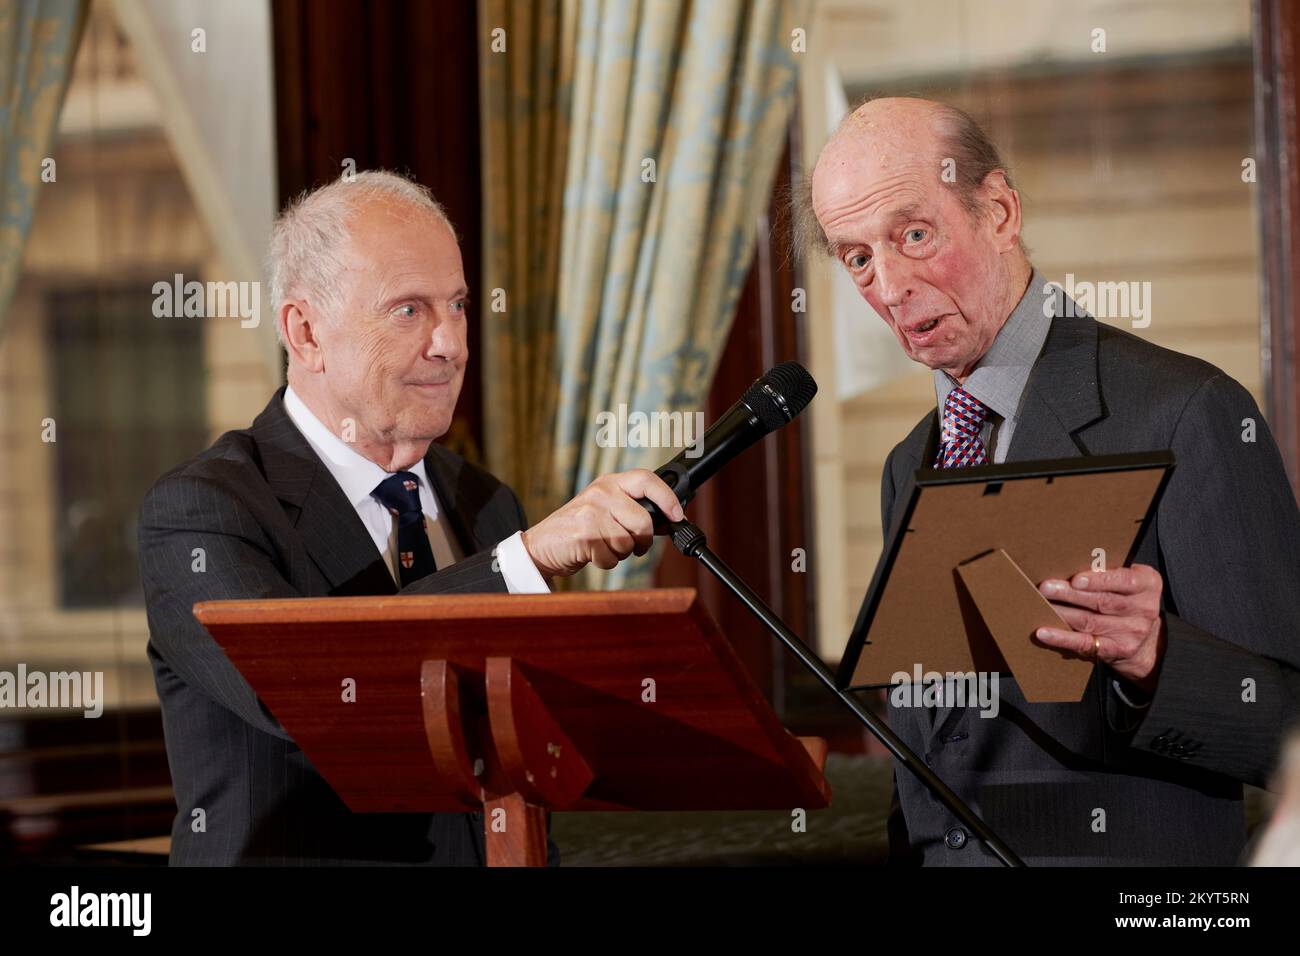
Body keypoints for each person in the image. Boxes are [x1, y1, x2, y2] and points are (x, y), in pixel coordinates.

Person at [807, 96, 1300, 865]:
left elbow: (1289, 731)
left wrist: (1160, 659)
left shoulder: (1189, 411)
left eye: (913, 234)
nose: (890, 285)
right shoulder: (912, 461)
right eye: (858, 257)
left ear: (999, 211)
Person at [139, 170, 683, 865]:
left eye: (456, 306)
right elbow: (307, 697)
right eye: (409, 311)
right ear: (305, 332)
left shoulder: (485, 503)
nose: (450, 343)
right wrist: (524, 561)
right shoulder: (203, 510)